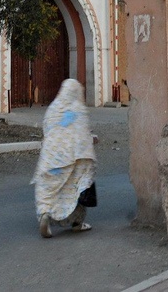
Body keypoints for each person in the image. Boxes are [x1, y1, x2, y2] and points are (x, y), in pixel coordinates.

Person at [31, 78, 96, 238]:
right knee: (76, 189)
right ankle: (77, 223)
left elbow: (47, 130)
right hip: (76, 158)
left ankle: (45, 213)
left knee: (46, 188)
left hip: (52, 159)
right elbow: (84, 135)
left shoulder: (53, 109)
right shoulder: (80, 110)